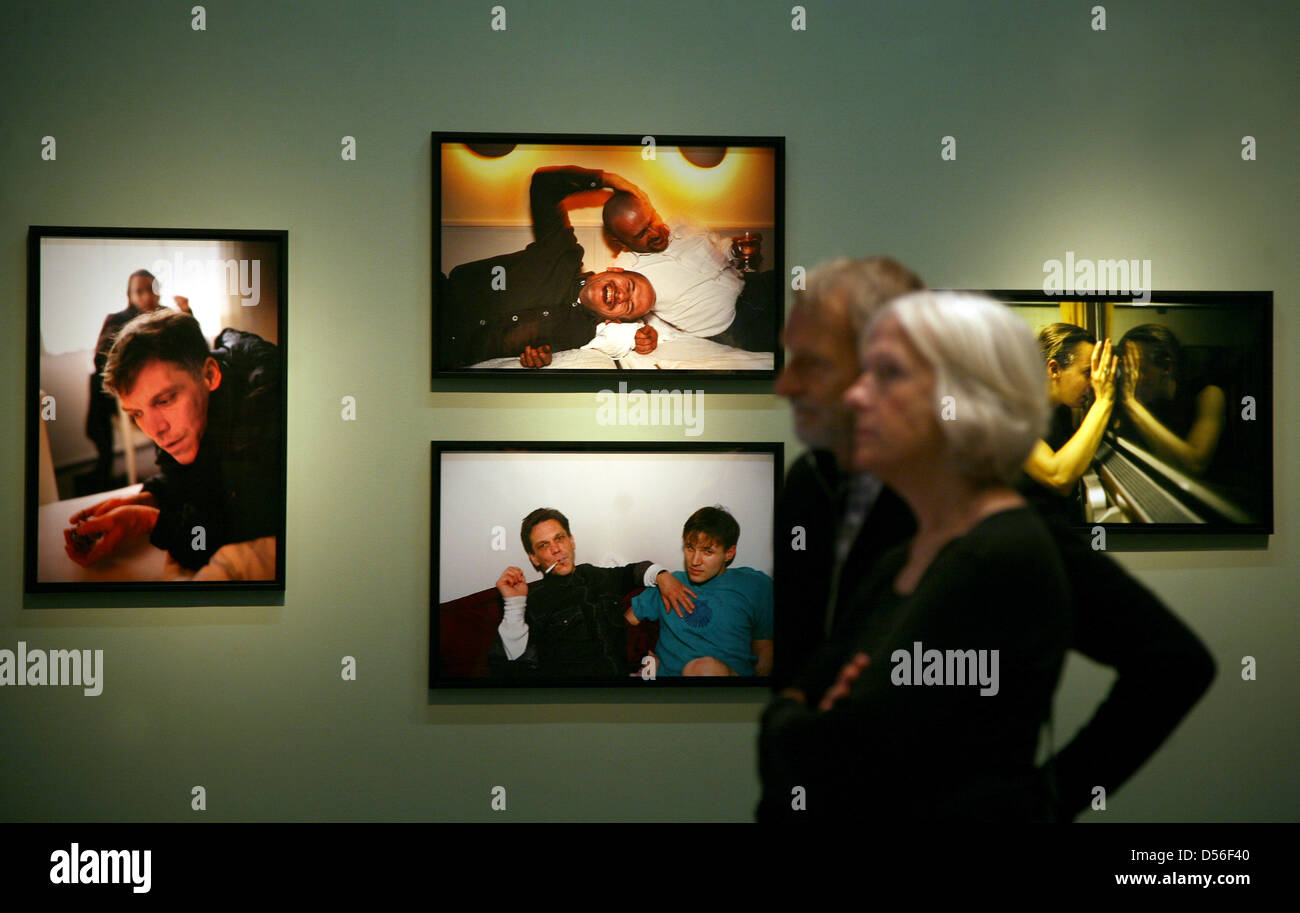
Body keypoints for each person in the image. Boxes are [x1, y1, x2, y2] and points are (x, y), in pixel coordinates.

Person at [760, 291, 1072, 822]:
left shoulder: (999, 513)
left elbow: (1167, 660)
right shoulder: (813, 482)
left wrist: (1048, 797)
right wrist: (787, 730)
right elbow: (803, 644)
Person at [770, 257, 923, 689]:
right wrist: (789, 713)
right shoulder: (808, 478)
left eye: (811, 363)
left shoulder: (970, 490)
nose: (785, 386)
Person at [63, 309, 282, 577]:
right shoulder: (183, 417)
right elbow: (191, 479)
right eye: (137, 413)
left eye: (164, 401)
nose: (155, 429)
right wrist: (150, 498)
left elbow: (223, 533)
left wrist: (145, 521)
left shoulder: (265, 405)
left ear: (210, 375)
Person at [439, 167, 660, 369]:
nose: (622, 296)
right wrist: (607, 179)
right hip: (436, 296)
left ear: (614, 319)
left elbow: (621, 341)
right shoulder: (562, 252)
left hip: (445, 357)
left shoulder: (582, 336)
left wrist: (541, 359)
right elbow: (543, 185)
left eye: (629, 306)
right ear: (615, 270)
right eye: (629, 286)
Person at [490, 508, 693, 679]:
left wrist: (662, 576)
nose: (556, 549)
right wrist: (514, 605)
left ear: (571, 541)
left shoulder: (594, 575)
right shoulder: (531, 599)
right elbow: (510, 665)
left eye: (559, 538)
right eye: (544, 545)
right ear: (534, 558)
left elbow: (634, 572)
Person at [605, 190, 776, 352]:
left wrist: (735, 250)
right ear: (621, 242)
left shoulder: (682, 223)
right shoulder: (624, 273)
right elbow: (618, 323)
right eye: (641, 234)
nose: (655, 233)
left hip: (755, 284)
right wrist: (645, 335)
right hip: (735, 326)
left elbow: (719, 247)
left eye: (652, 219)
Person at [625, 506, 774, 677]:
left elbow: (764, 647)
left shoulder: (754, 585)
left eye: (707, 551)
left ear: (729, 553)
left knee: (704, 669)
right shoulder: (671, 584)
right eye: (690, 548)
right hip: (670, 687)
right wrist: (642, 656)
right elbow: (625, 622)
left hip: (728, 685)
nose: (695, 561)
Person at [84, 269, 190, 490]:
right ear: (130, 295)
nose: (146, 296)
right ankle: (104, 464)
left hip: (166, 384)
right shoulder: (117, 320)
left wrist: (187, 314)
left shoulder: (169, 316)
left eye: (151, 290)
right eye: (139, 292)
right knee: (96, 380)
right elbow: (102, 359)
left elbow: (192, 348)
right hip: (128, 388)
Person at [1019, 323, 1118, 524]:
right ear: (1054, 369)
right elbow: (1058, 478)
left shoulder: (1061, 411)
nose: (1094, 383)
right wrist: (1104, 400)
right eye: (1088, 373)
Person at [1115, 324, 1225, 477]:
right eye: (1125, 370)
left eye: (1136, 369)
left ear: (1166, 367)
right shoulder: (1146, 403)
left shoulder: (1208, 394)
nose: (1129, 379)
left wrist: (1130, 404)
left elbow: (1195, 465)